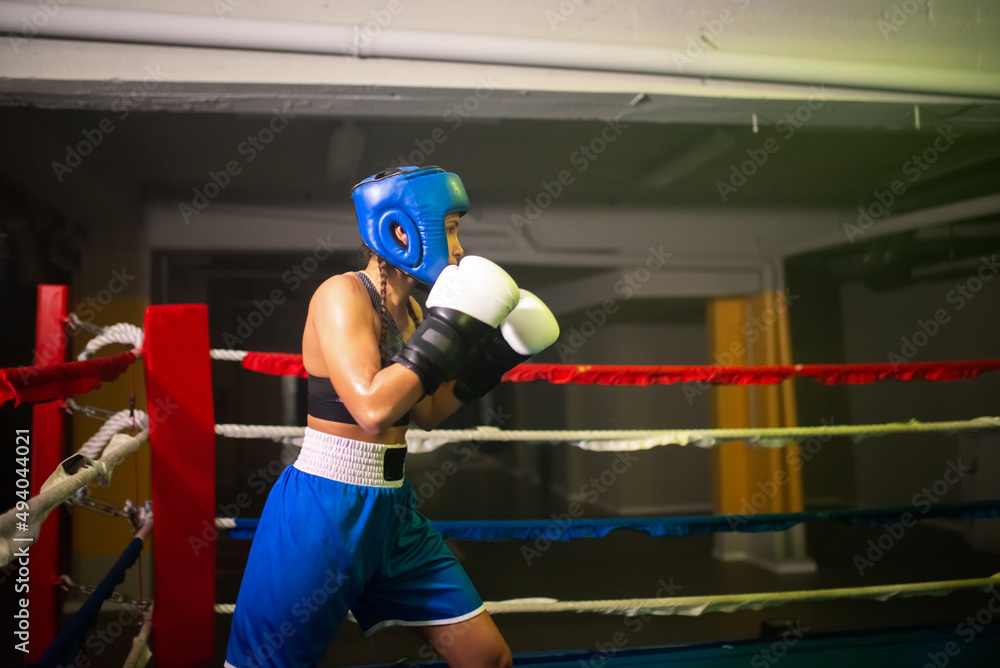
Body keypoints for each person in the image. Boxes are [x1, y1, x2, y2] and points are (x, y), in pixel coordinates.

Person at [225, 165, 559, 668]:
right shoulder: (341, 295)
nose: (460, 248)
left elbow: (423, 411)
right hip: (324, 510)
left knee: (488, 658)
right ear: (401, 231)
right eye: (449, 229)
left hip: (394, 511)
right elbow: (373, 408)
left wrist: (496, 357)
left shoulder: (419, 314)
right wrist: (450, 330)